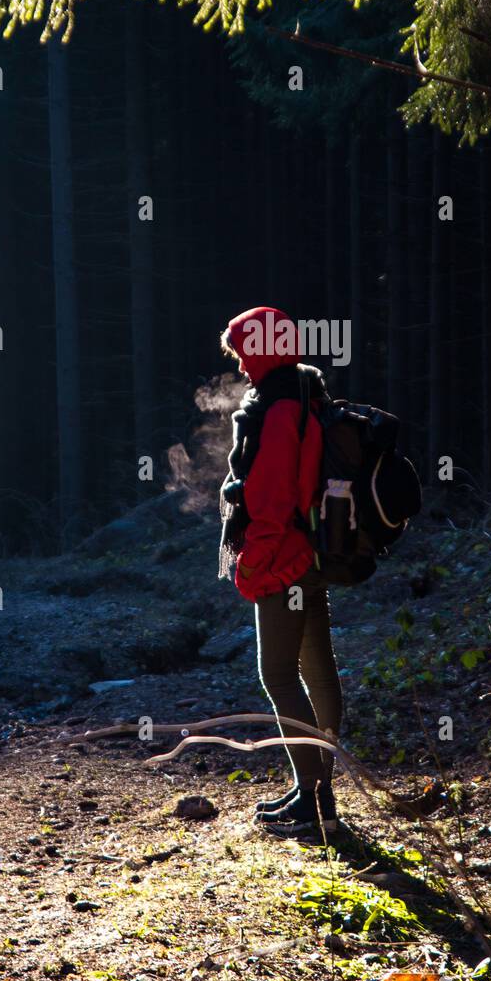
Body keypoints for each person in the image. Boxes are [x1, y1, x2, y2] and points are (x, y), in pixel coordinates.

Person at [218, 306, 343, 837]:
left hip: (286, 557)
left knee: (278, 675)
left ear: (263, 349)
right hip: (313, 555)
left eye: (246, 353)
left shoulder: (275, 410)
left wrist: (253, 562)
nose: (243, 366)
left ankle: (315, 800)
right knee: (318, 672)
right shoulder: (307, 393)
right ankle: (317, 791)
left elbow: (270, 501)